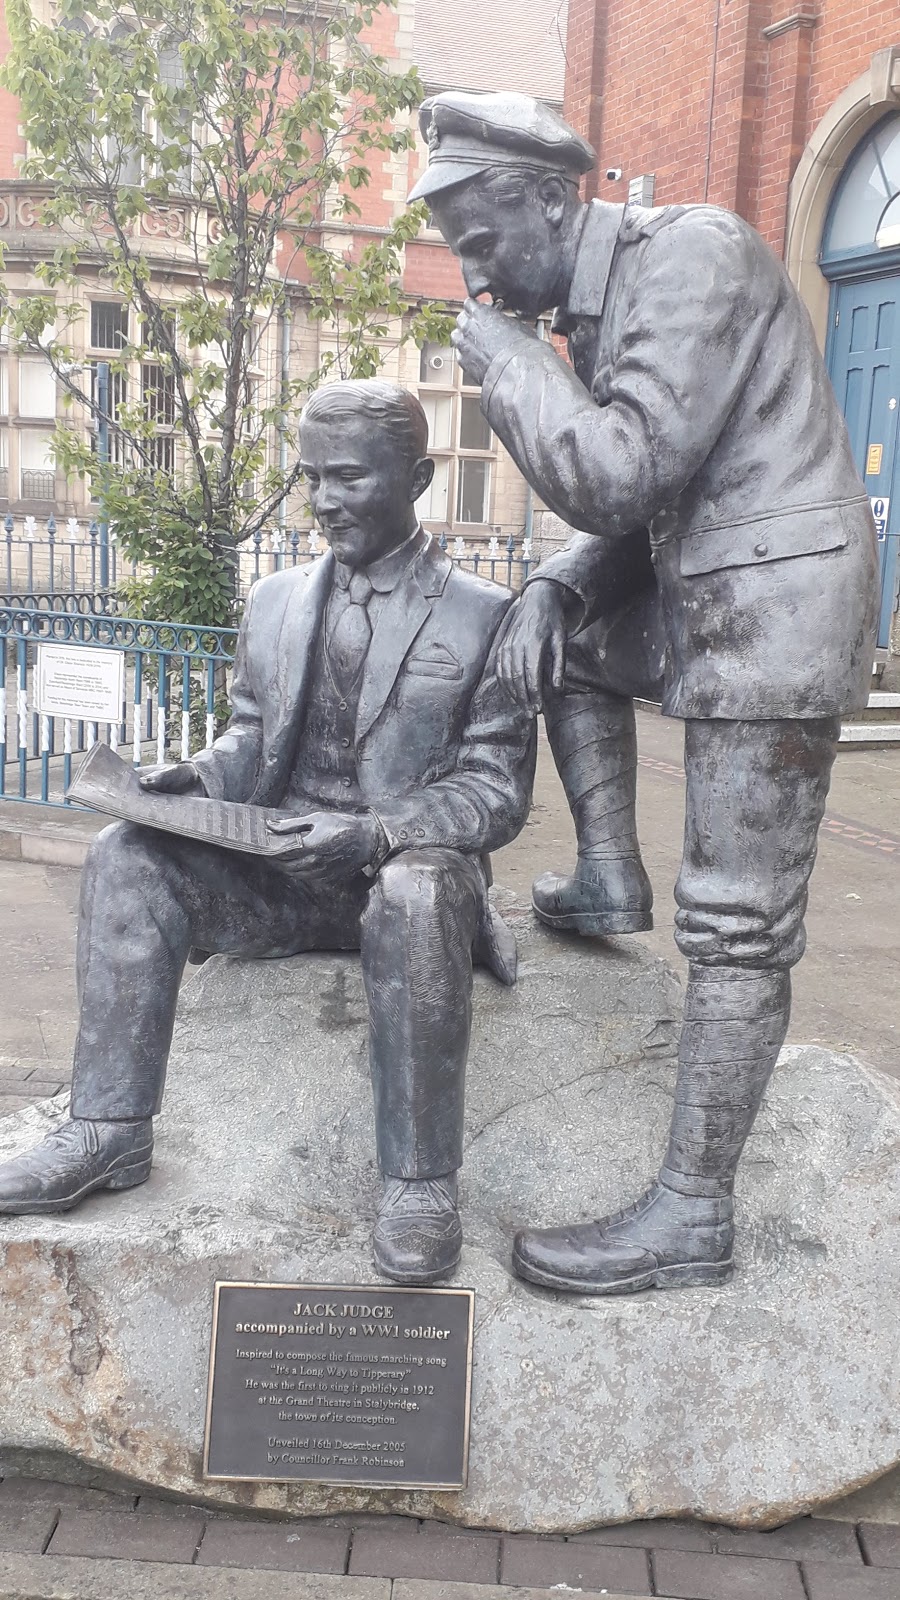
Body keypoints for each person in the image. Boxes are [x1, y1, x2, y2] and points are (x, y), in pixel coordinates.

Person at [411, 89, 879, 1295]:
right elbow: (646, 502)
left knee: (734, 921)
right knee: (546, 631)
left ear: (554, 199)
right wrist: (563, 591)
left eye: (480, 241)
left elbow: (618, 474)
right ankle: (608, 872)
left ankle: (690, 1212)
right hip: (709, 586)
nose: (473, 274)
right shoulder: (596, 305)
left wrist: (512, 373)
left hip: (776, 607)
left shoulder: (694, 261)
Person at [0, 380, 535, 1286]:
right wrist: (200, 776)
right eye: (312, 479)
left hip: (400, 878)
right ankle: (110, 1128)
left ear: (418, 476)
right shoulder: (277, 599)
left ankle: (418, 1183)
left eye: (350, 479)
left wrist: (374, 836)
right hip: (278, 873)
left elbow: (494, 792)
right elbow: (253, 733)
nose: (324, 502)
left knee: (419, 889)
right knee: (125, 854)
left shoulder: (487, 615)